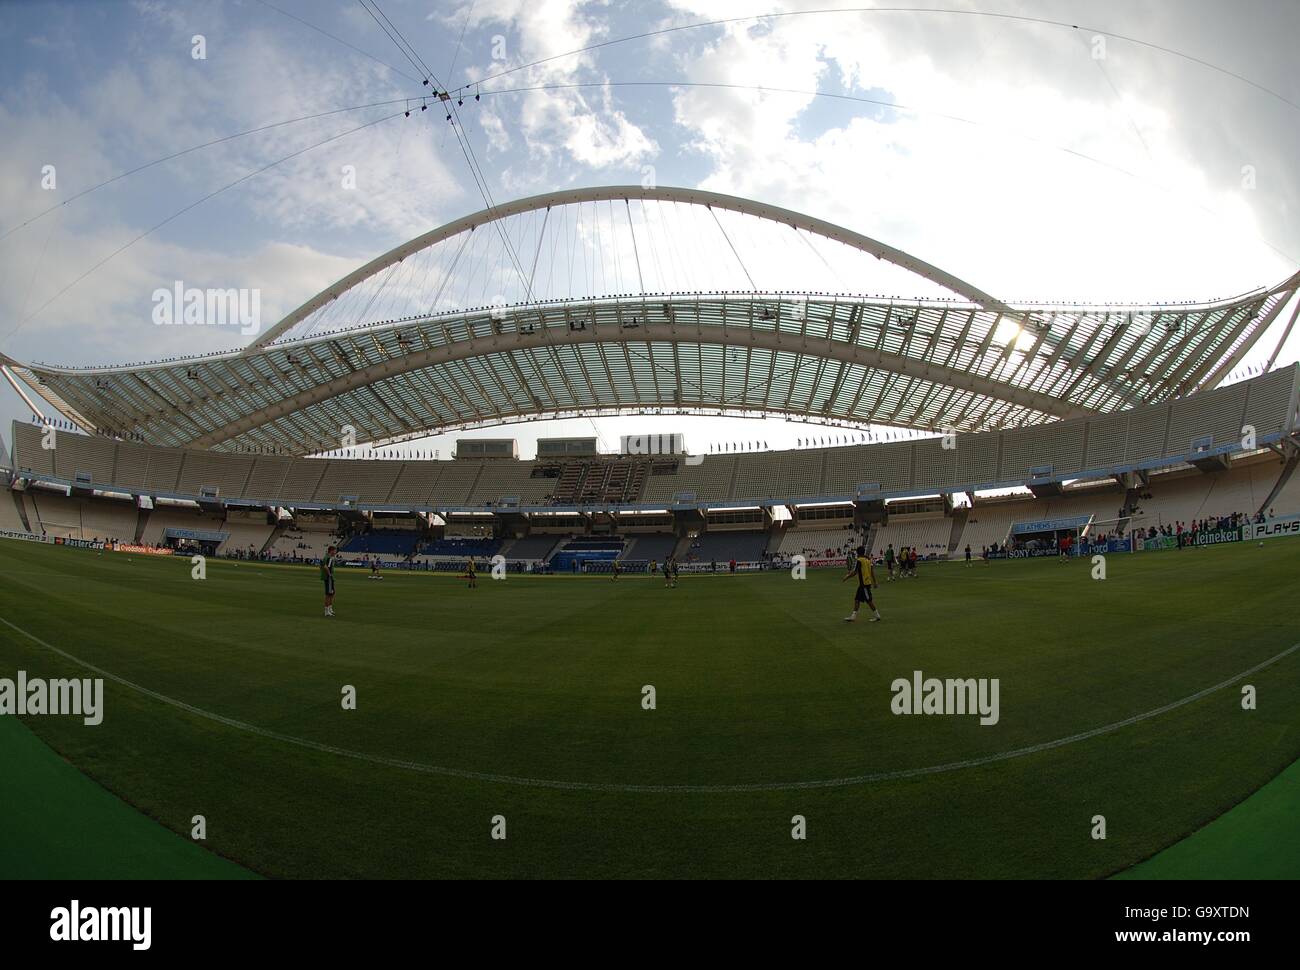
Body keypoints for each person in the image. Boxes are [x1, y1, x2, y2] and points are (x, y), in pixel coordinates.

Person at [842, 545, 881, 623]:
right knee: (857, 599)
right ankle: (853, 616)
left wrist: (846, 577)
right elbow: (872, 571)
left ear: (857, 553)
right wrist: (875, 582)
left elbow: (854, 572)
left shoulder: (859, 560)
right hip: (865, 583)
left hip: (864, 584)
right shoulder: (868, 560)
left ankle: (877, 616)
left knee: (869, 600)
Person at [321, 545, 338, 617]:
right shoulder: (328, 557)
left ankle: (329, 609)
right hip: (328, 578)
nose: (335, 552)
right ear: (331, 550)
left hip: (330, 577)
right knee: (328, 594)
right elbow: (325, 566)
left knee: (332, 593)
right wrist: (329, 575)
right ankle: (326, 611)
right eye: (335, 550)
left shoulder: (329, 557)